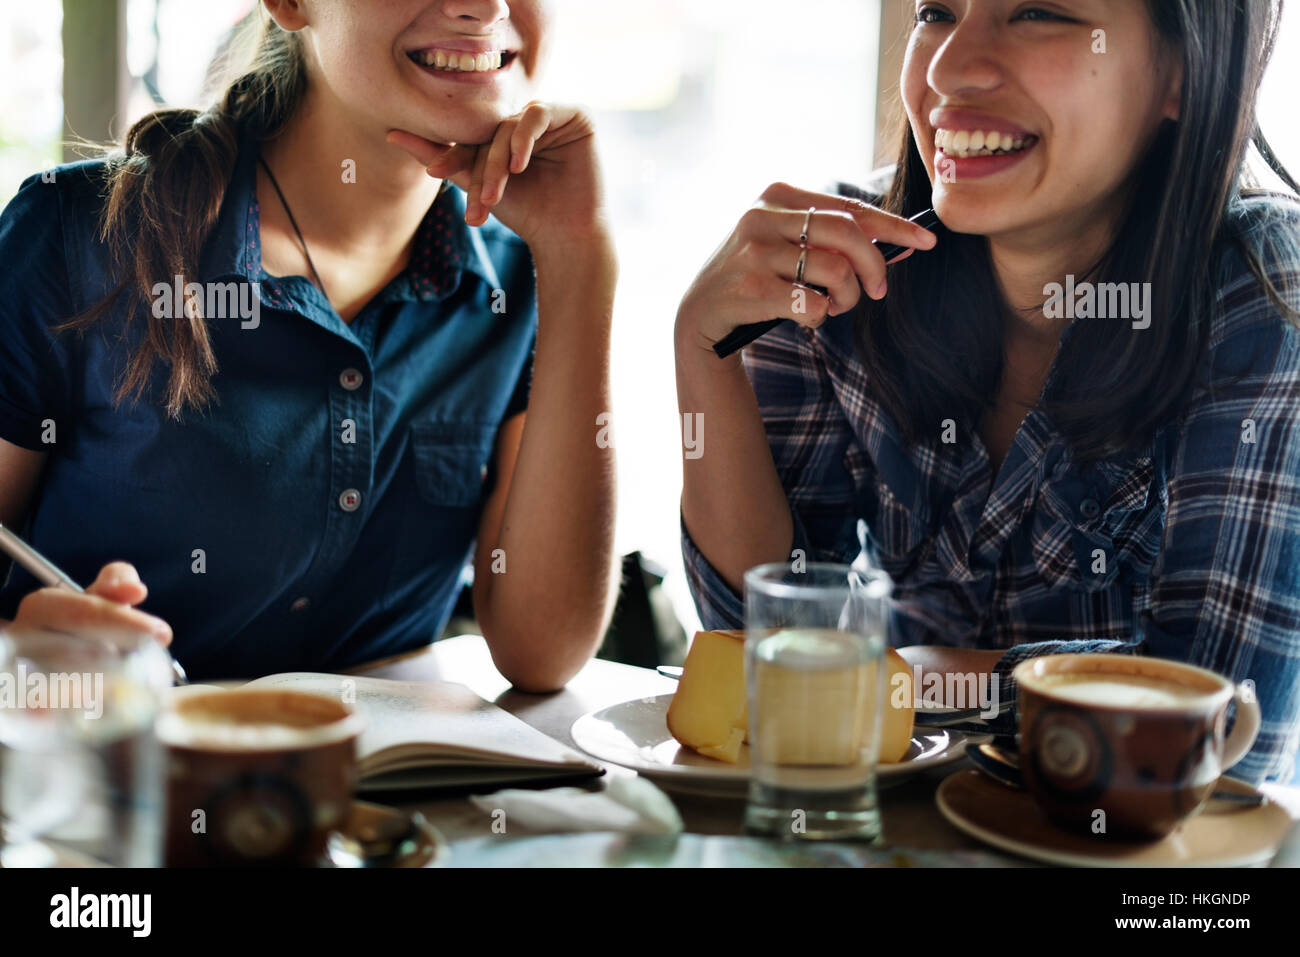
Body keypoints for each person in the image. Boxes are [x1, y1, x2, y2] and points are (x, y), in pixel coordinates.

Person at [676, 0, 1300, 784]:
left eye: (1038, 12)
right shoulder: (837, 271)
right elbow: (750, 664)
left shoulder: (1265, 295)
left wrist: (905, 673)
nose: (946, 68)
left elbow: (1223, 733)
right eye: (936, 10)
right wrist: (704, 354)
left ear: (1185, 71)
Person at [0, 0, 619, 689]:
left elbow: (543, 652)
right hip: (118, 778)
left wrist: (581, 255)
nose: (485, 6)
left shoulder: (520, 278)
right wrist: (13, 658)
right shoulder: (74, 236)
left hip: (381, 794)